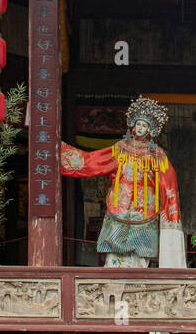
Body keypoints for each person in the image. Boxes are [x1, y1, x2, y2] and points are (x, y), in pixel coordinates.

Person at [59, 96, 185, 267]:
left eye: (144, 126)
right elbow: (94, 161)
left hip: (145, 207)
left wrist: (168, 207)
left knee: (140, 255)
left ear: (150, 129)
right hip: (121, 204)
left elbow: (168, 180)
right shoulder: (121, 149)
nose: (140, 128)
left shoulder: (157, 154)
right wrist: (58, 152)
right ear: (133, 126)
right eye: (138, 124)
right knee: (114, 255)